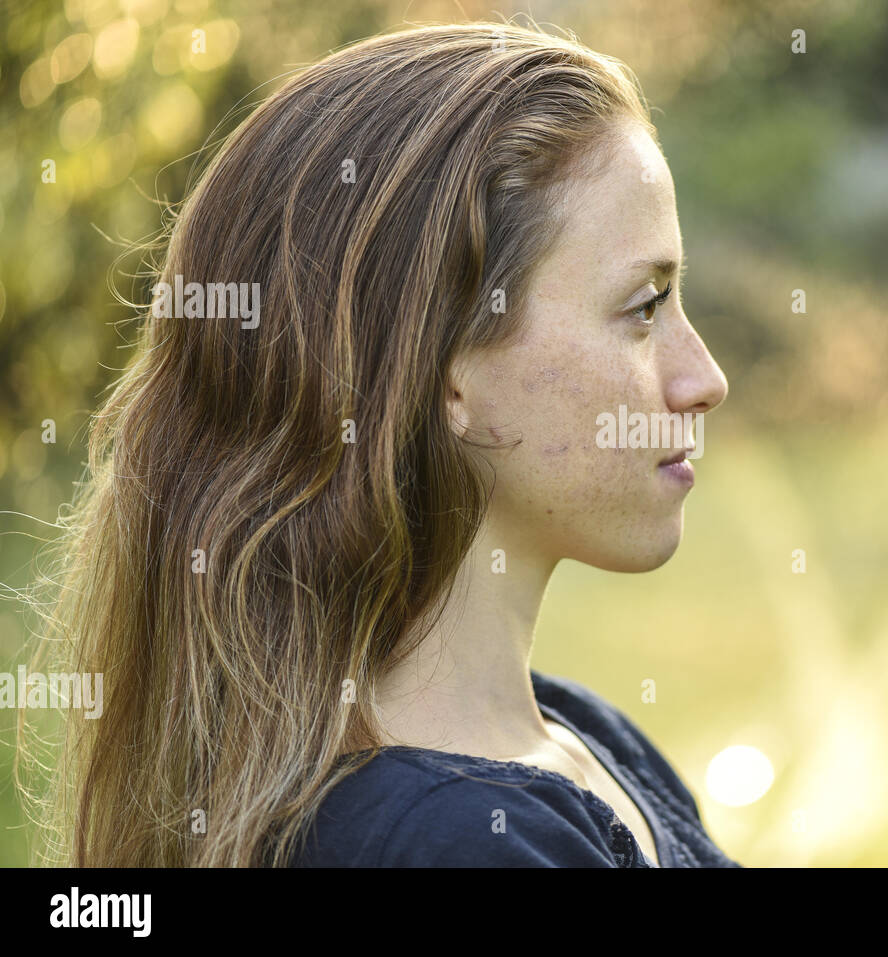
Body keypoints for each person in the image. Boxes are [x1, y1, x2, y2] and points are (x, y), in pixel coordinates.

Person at [22, 20, 736, 868]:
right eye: (644, 306)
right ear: (448, 372)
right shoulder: (446, 845)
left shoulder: (593, 738)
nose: (704, 378)